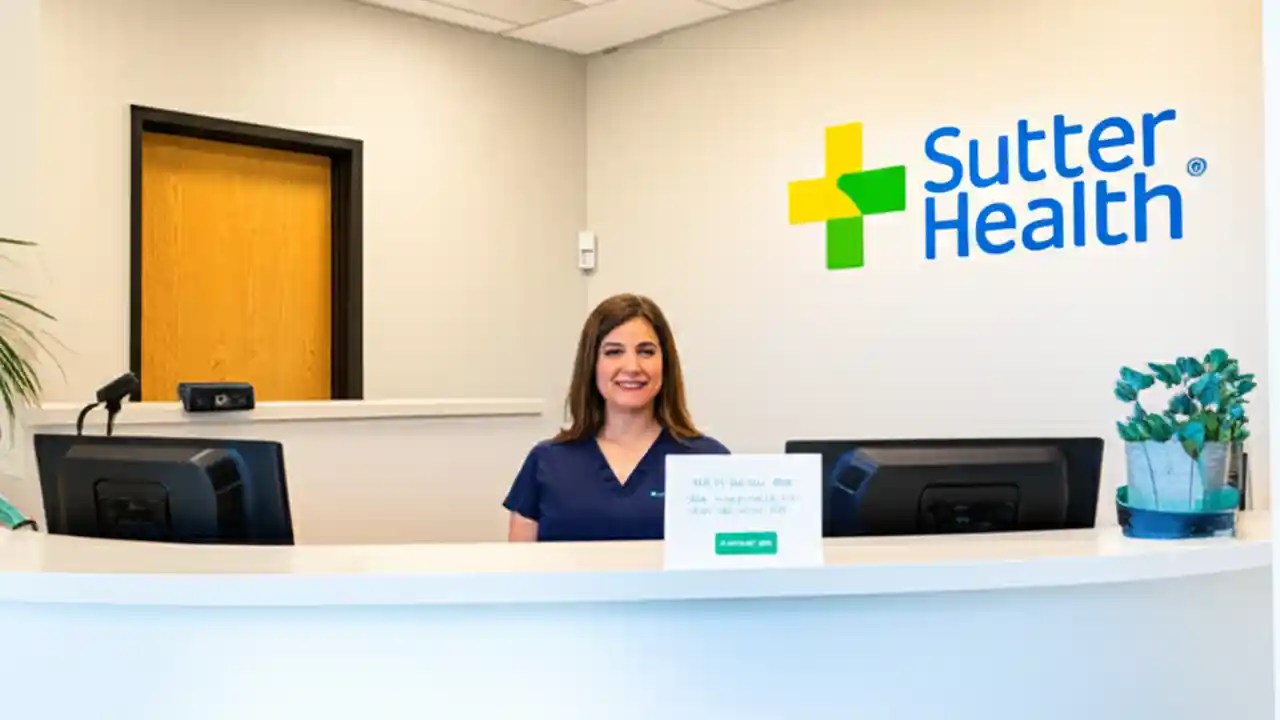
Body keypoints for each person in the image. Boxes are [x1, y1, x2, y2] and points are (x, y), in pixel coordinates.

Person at [503, 293, 729, 542]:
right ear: (592, 364)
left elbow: (733, 571)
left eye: (646, 351)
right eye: (613, 352)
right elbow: (520, 574)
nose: (632, 367)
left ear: (665, 364)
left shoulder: (710, 462)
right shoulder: (546, 462)